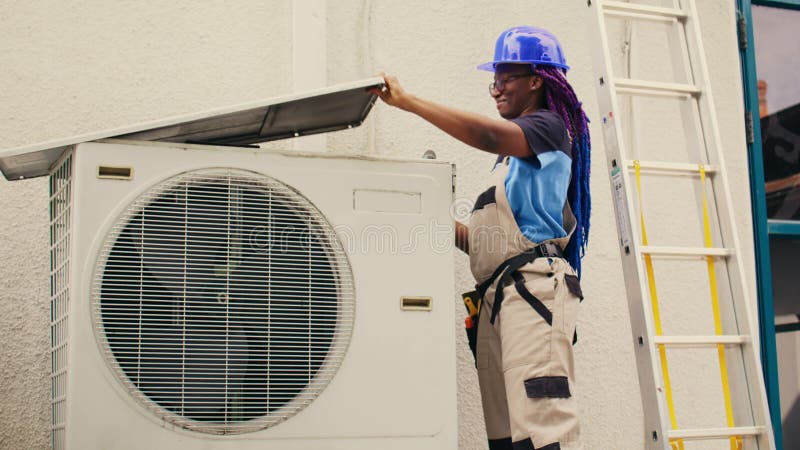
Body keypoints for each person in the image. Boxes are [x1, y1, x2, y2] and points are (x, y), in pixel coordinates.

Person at [372, 26, 590, 450]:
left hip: (534, 294)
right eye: (494, 81)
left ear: (537, 80)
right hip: (500, 296)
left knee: (542, 431)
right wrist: (434, 213)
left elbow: (488, 132)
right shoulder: (510, 159)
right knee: (506, 436)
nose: (496, 90)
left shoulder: (547, 129)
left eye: (505, 78)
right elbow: (489, 245)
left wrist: (409, 102)